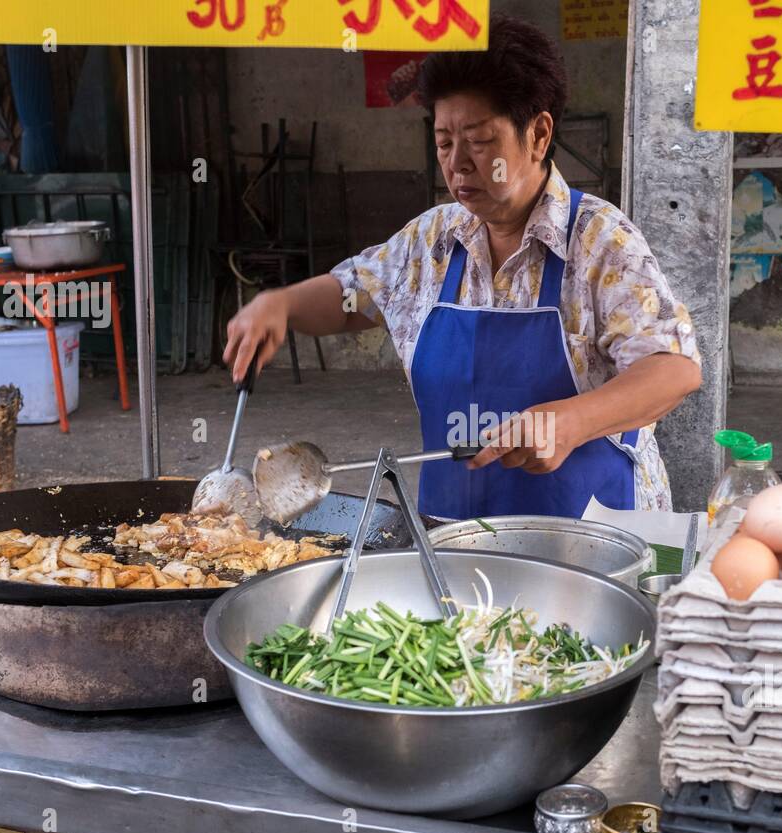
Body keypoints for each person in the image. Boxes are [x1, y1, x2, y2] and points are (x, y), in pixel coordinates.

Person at [223, 16, 701, 519]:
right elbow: (352, 299)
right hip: (454, 533)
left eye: (478, 140)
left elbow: (673, 368)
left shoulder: (599, 239)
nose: (457, 164)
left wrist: (572, 421)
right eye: (445, 142)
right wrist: (283, 304)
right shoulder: (433, 239)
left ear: (538, 135)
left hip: (590, 537)